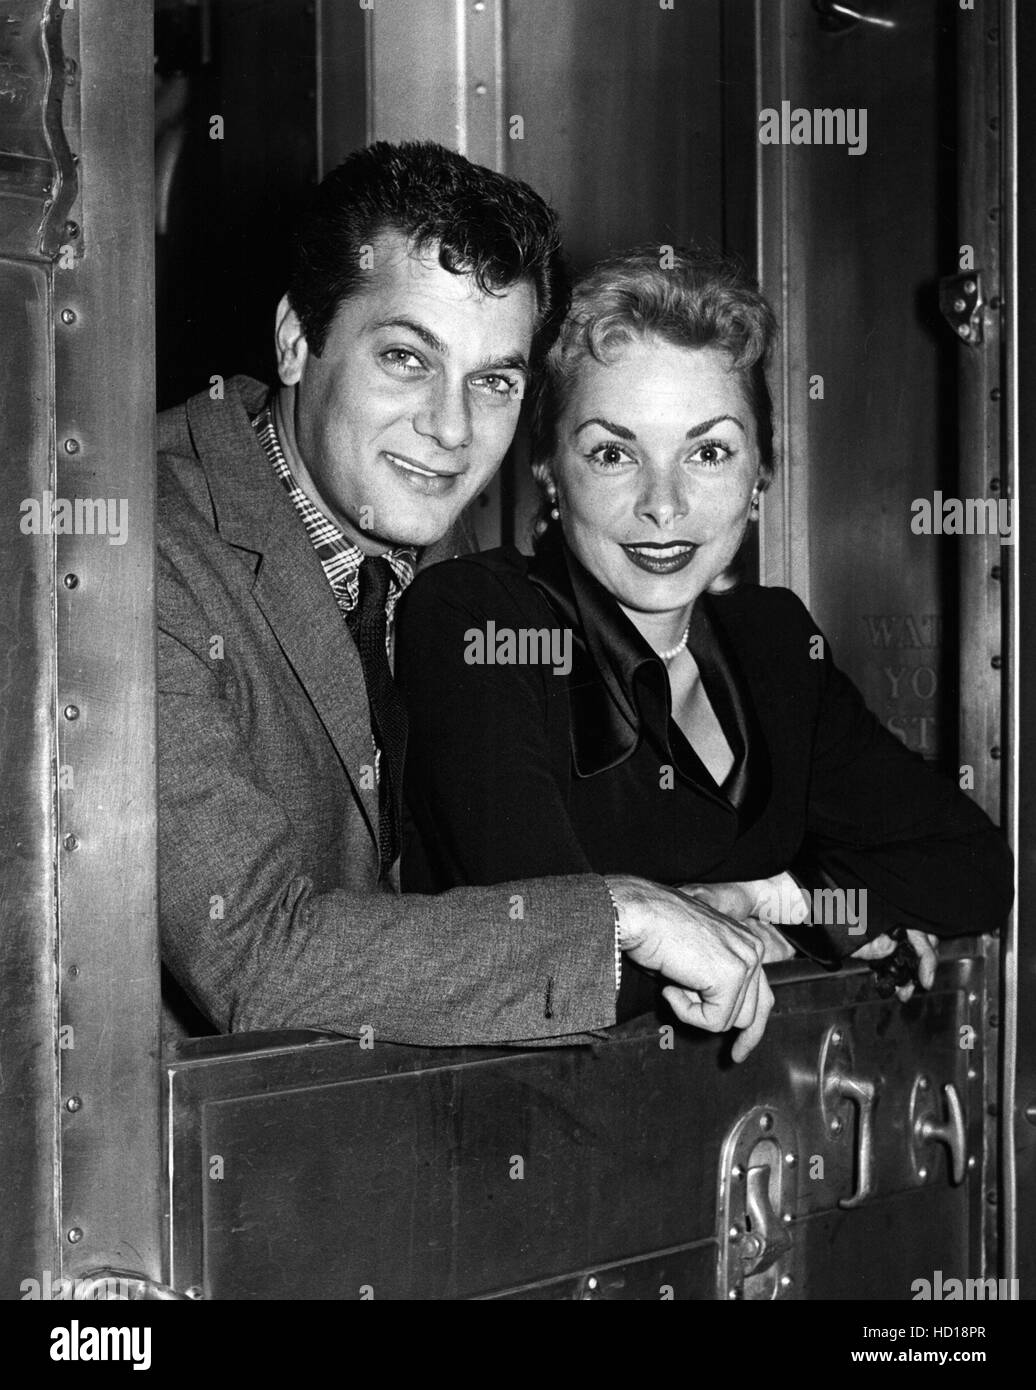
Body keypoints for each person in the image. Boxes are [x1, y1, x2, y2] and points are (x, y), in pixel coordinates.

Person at [158, 146, 778, 1055]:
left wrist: (817, 899)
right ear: (296, 340)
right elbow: (256, 956)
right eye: (407, 358)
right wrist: (623, 917)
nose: (451, 430)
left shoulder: (454, 560)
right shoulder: (141, 552)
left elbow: (541, 854)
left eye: (494, 380)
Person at [396, 246, 1013, 1015]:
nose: (665, 504)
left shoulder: (774, 642)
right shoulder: (478, 620)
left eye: (709, 452)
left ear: (761, 476)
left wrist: (775, 903)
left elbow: (976, 871)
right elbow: (544, 945)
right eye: (614, 453)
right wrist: (810, 930)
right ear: (550, 469)